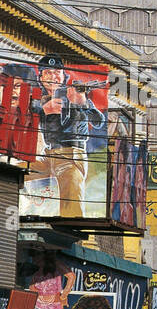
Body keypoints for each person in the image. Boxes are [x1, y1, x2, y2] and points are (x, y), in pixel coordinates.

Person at [28, 54, 106, 218]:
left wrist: (82, 103)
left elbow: (99, 121)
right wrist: (43, 110)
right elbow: (24, 115)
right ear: (40, 77)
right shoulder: (38, 99)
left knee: (71, 208)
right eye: (48, 73)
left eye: (57, 72)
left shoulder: (73, 94)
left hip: (71, 155)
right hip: (47, 156)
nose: (53, 77)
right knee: (13, 170)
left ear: (64, 76)